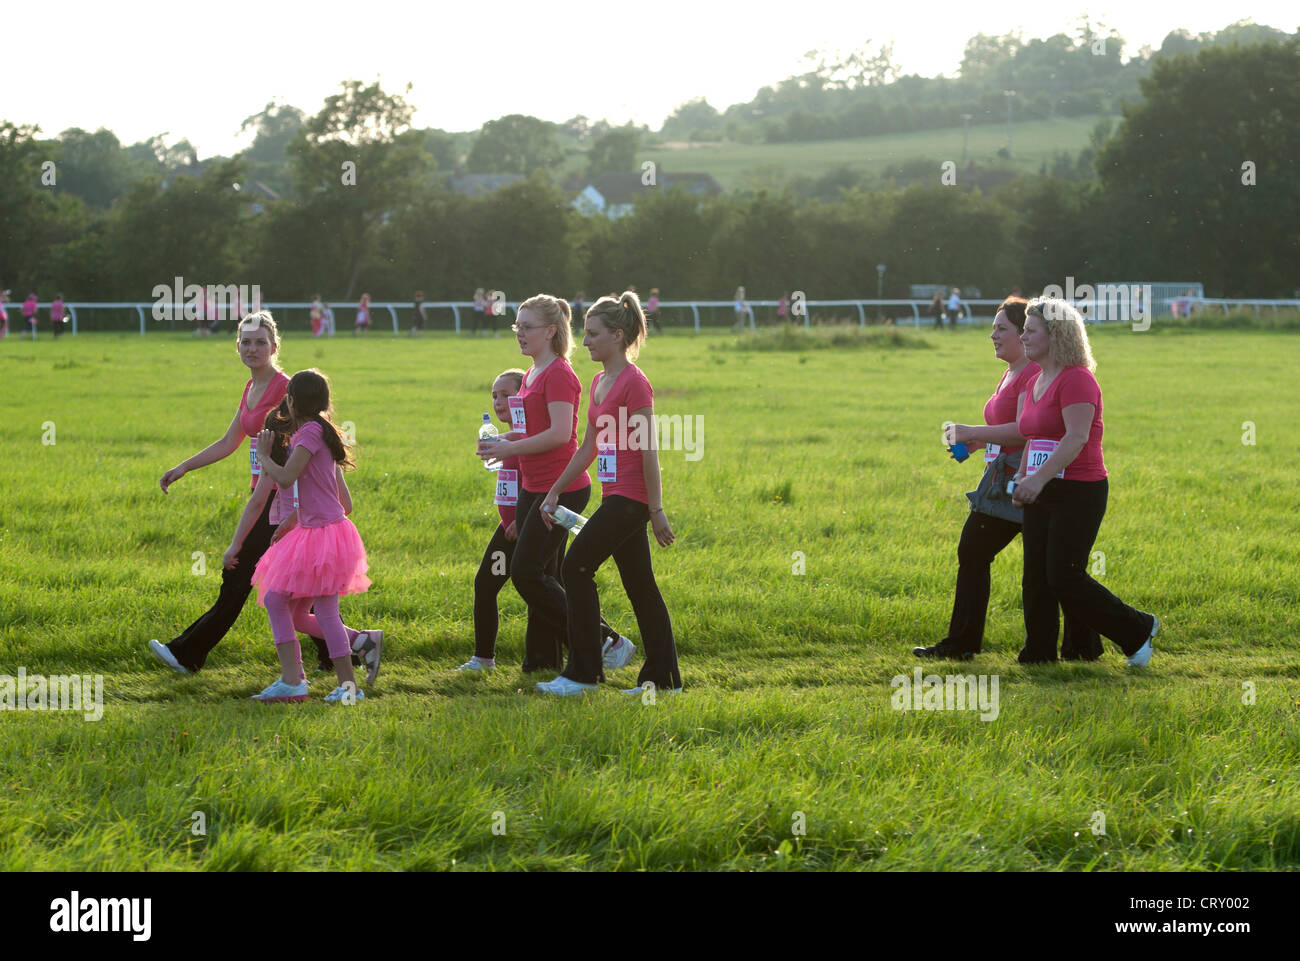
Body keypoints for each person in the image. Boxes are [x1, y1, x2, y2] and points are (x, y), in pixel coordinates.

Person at [148, 312, 348, 675]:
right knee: (300, 586)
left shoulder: (285, 393)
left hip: (279, 497)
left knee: (237, 573)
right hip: (267, 493)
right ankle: (345, 650)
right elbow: (229, 441)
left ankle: (187, 654)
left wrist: (285, 510)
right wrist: (184, 468)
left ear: (274, 347)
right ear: (237, 345)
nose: (252, 348)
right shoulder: (251, 388)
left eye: (260, 342)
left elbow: (293, 455)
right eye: (246, 341)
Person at [914, 297, 1101, 661]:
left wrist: (972, 429)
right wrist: (976, 441)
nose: (993, 335)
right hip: (1008, 477)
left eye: (1004, 329)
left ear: (1024, 334)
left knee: (1045, 566)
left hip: (1026, 480)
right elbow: (1019, 430)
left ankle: (966, 643)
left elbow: (1024, 432)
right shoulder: (1014, 370)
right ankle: (1080, 646)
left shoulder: (1034, 371)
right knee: (1053, 567)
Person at [537, 291, 680, 697]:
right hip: (614, 494)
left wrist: (656, 509)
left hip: (632, 499)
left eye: (593, 334)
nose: (584, 342)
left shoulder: (636, 384)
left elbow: (649, 448)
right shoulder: (599, 381)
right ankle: (664, 681)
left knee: (576, 567)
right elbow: (588, 447)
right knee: (640, 585)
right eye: (584, 334)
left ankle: (584, 674)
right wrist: (555, 491)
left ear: (618, 336)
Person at [1011, 297, 1160, 665]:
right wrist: (1022, 475)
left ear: (1056, 334)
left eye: (1030, 331)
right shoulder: (1036, 380)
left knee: (1064, 575)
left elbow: (1075, 438)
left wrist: (1038, 480)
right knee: (1036, 578)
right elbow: (1035, 436)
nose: (1023, 336)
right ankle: (1039, 655)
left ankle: (1138, 628)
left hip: (1079, 490)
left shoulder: (1077, 379)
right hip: (1041, 486)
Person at [461, 368, 632, 672]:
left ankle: (601, 642)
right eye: (495, 396)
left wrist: (520, 519)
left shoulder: (530, 438)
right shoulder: (513, 436)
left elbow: (537, 472)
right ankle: (536, 660)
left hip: (527, 520)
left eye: (508, 395)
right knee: (531, 582)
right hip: (516, 523)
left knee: (529, 580)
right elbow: (514, 482)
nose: (501, 402)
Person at [475, 294, 597, 673]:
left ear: (549, 330)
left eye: (526, 327)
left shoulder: (560, 374)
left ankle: (601, 641)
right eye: (517, 326)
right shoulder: (530, 374)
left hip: (562, 487)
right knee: (541, 574)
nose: (519, 333)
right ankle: (543, 662)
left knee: (527, 574)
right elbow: (530, 431)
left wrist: (513, 447)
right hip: (534, 486)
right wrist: (503, 444)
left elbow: (562, 435)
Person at [250, 369, 379, 702]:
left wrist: (264, 456)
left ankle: (348, 688)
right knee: (278, 600)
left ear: (292, 401)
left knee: (323, 612)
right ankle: (294, 679)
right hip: (317, 532)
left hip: (323, 537)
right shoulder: (323, 431)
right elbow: (342, 502)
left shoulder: (307, 434)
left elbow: (287, 479)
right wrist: (295, 519)